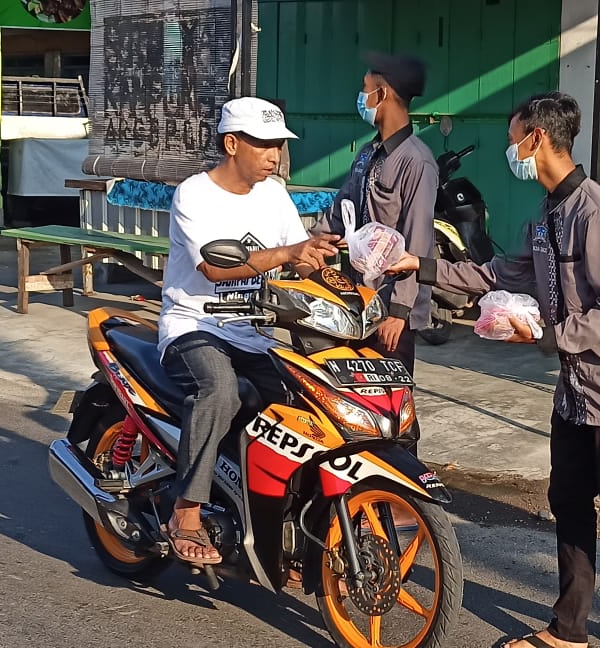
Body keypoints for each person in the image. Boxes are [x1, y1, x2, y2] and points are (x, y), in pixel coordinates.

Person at [385, 92, 600, 648]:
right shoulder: (548, 215)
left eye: (513, 136)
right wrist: (420, 266)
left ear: (537, 139)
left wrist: (545, 335)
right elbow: (503, 273)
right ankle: (568, 630)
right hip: (575, 389)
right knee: (567, 499)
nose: (509, 148)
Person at [158, 97, 339, 566]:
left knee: (303, 408)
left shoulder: (275, 195)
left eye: (278, 144)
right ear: (232, 143)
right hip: (194, 324)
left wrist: (327, 264)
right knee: (220, 391)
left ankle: (287, 528)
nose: (274, 155)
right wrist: (287, 253)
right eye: (263, 144)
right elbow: (214, 270)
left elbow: (295, 256)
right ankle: (186, 511)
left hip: (254, 332)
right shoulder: (195, 194)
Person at [313, 52, 438, 374]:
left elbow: (418, 241)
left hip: (389, 306)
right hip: (356, 298)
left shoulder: (416, 161)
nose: (362, 97)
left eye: (365, 88)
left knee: (392, 403)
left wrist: (399, 312)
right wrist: (308, 244)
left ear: (381, 94)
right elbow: (342, 209)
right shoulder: (369, 153)